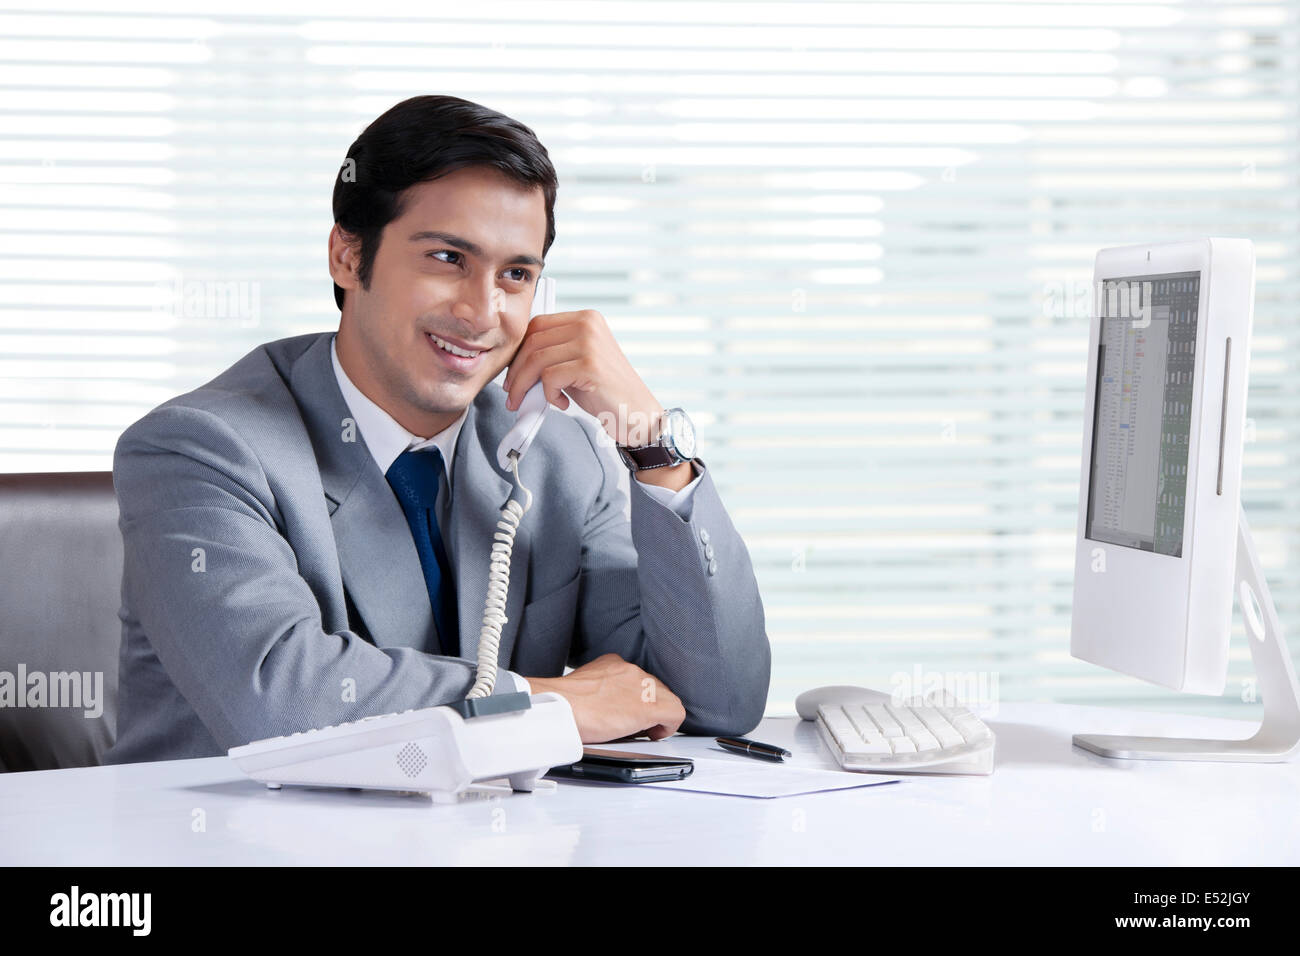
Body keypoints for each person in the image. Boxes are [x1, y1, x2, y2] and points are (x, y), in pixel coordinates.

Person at [105, 94, 770, 764]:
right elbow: (278, 701)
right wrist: (544, 702)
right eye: (449, 258)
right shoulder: (199, 448)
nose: (482, 312)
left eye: (516, 274)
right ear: (346, 256)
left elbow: (715, 701)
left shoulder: (555, 454)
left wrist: (651, 442)